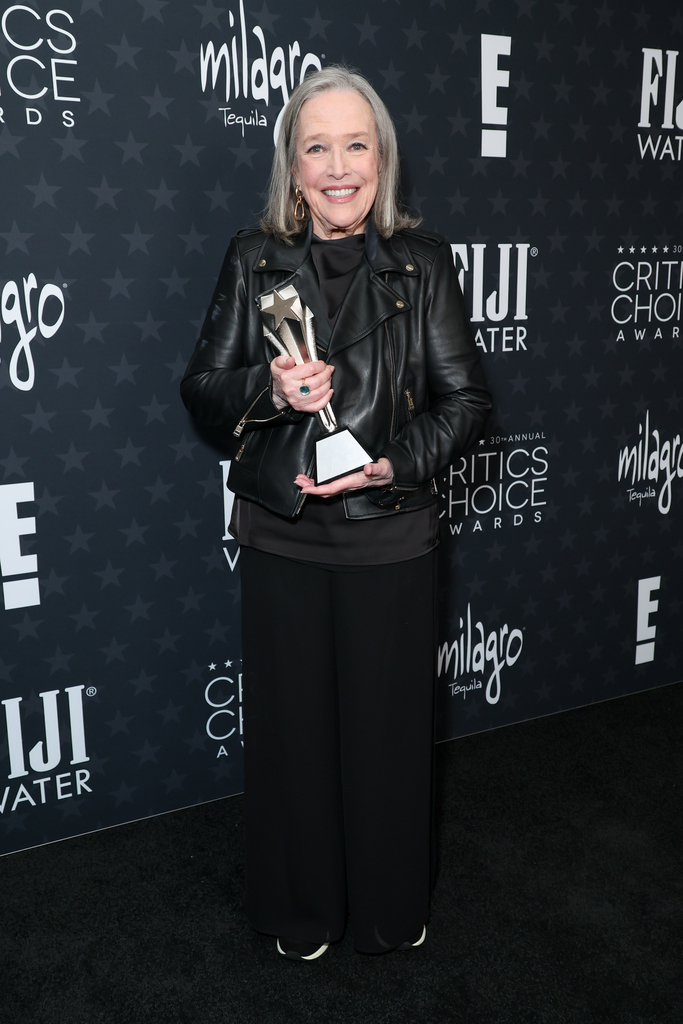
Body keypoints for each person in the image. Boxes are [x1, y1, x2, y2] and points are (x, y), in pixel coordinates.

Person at [180, 66, 491, 960]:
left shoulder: (422, 264)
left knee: (387, 739)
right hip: (281, 534)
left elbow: (466, 402)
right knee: (294, 740)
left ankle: (390, 909)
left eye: (356, 144)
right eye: (317, 147)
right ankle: (302, 910)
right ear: (293, 164)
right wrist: (271, 390)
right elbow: (202, 390)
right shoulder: (254, 256)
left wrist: (392, 465)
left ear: (380, 158)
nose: (338, 166)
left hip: (388, 533)